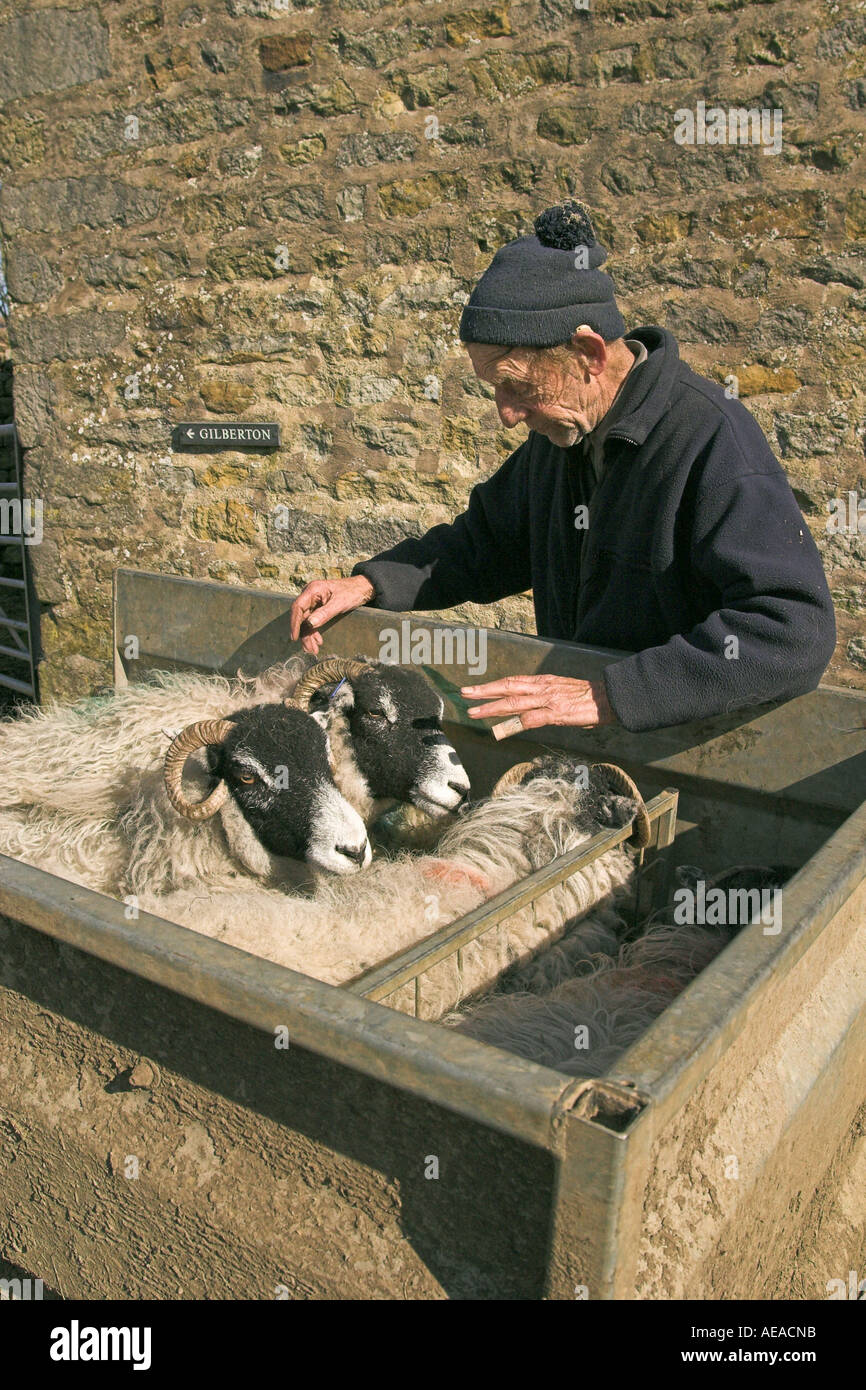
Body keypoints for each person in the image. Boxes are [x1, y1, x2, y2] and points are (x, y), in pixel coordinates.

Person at [290, 199, 836, 734]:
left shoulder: (712, 438)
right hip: (590, 743)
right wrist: (369, 583)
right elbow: (482, 545)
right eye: (494, 389)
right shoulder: (560, 439)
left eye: (519, 386)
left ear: (588, 354)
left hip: (683, 762)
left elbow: (792, 630)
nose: (506, 414)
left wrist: (612, 692)